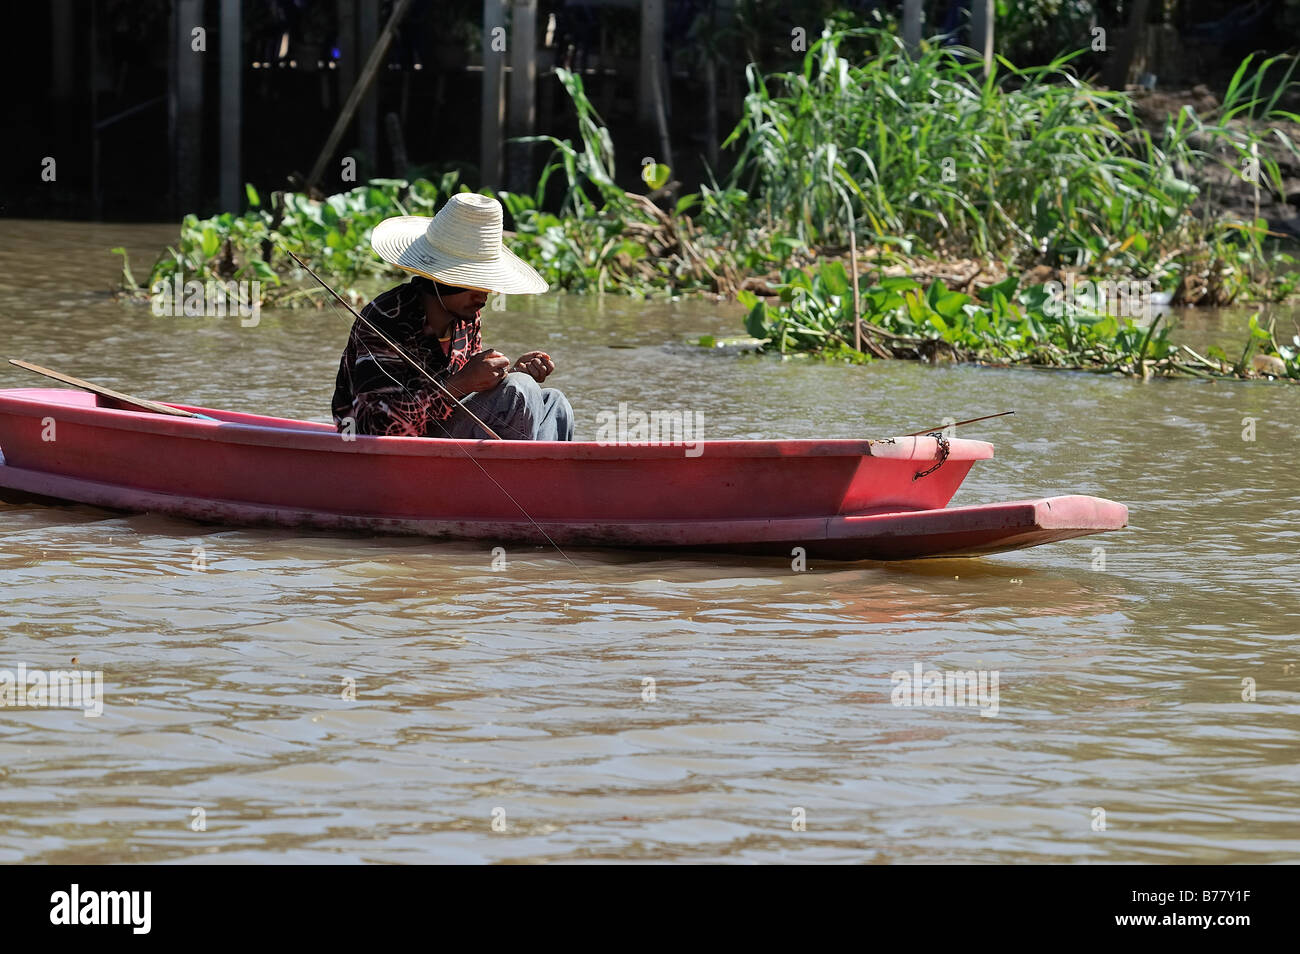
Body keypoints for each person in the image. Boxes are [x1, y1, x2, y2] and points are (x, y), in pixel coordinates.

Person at [331, 192, 574, 440]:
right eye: (474, 282)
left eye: (486, 284)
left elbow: (464, 396)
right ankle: (522, 476)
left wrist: (506, 374)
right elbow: (377, 427)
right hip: (388, 448)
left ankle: (535, 475)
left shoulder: (467, 317)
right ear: (441, 278)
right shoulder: (385, 319)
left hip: (444, 430)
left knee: (554, 403)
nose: (484, 296)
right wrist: (463, 383)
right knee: (518, 390)